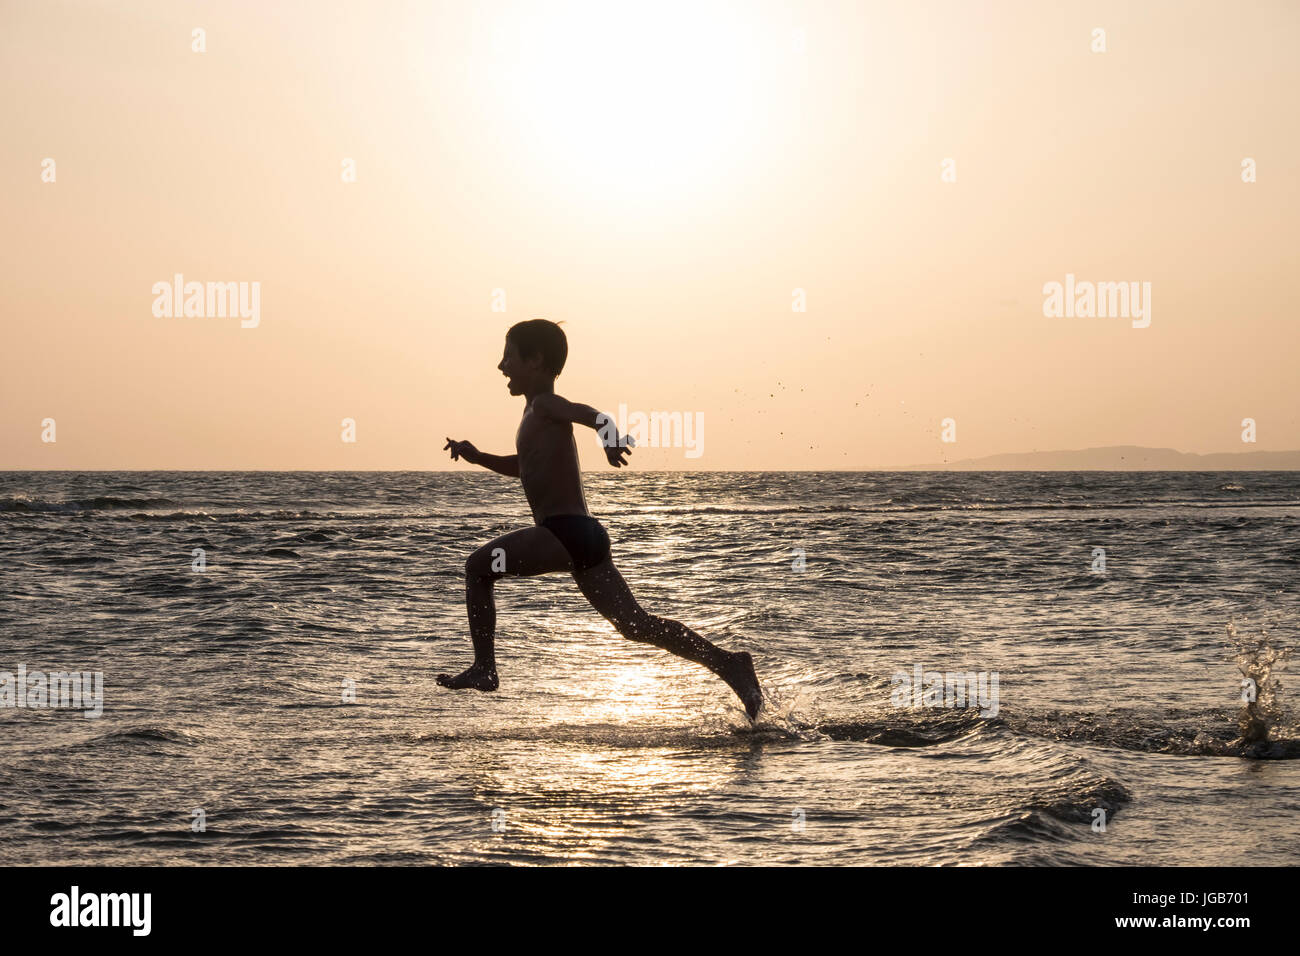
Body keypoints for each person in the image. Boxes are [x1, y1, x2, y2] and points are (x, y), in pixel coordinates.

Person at [440, 319, 763, 720]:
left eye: (509, 356)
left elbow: (593, 414)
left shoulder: (543, 405)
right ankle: (729, 663)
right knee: (635, 625)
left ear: (536, 360)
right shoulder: (533, 414)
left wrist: (608, 437)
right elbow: (525, 466)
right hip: (582, 537)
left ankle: (485, 668)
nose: (501, 365)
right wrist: (478, 457)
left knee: (477, 568)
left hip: (563, 532)